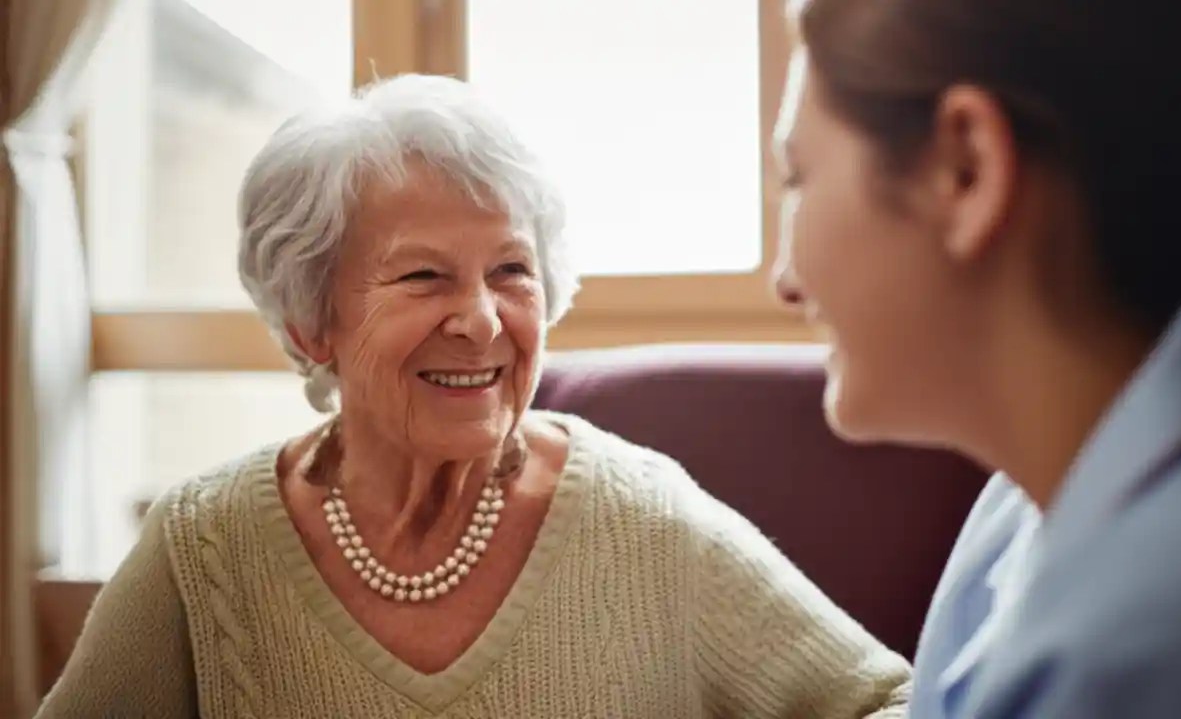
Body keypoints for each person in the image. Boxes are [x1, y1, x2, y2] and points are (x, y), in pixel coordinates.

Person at [38, 75, 911, 718]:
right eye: (423, 277)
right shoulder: (207, 548)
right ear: (311, 325)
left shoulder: (639, 521)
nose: (484, 322)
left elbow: (887, 703)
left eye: (511, 272)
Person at [771, 0, 1181, 717]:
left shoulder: (1172, 633)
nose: (785, 281)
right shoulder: (1015, 516)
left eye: (798, 177)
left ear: (967, 168)